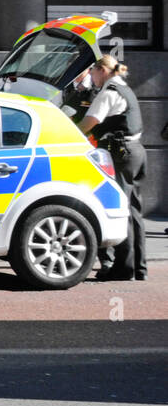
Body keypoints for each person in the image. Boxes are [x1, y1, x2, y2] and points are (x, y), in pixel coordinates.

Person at [79, 55, 146, 281]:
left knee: (121, 209)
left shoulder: (109, 93)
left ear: (102, 70)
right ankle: (139, 267)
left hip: (120, 154)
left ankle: (122, 269)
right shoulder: (125, 88)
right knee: (134, 211)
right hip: (136, 151)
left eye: (93, 72)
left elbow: (88, 125)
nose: (92, 77)